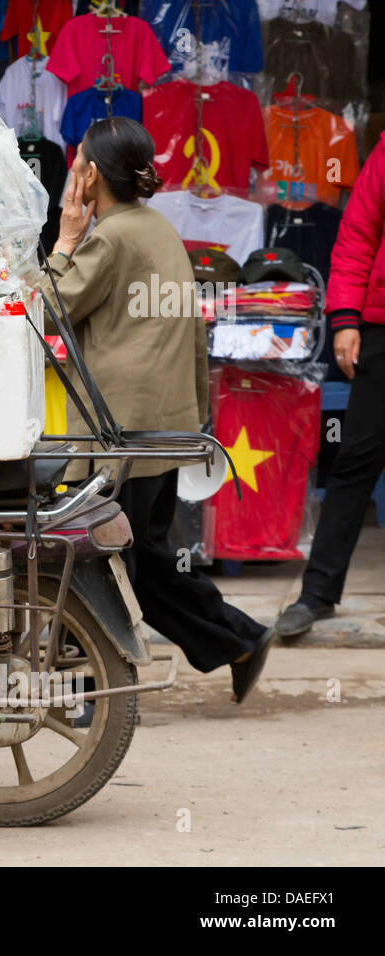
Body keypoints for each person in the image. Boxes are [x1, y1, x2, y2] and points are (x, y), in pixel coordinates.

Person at [39, 116, 275, 704]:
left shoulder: (109, 238)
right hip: (159, 427)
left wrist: (65, 241)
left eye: (78, 163)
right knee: (140, 557)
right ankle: (233, 641)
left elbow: (43, 316)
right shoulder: (158, 227)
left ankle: (90, 685)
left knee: (101, 555)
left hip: (121, 433)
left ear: (91, 175)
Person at [275, 131, 385, 639]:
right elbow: (358, 235)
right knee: (356, 458)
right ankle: (317, 593)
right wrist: (345, 319)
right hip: (381, 327)